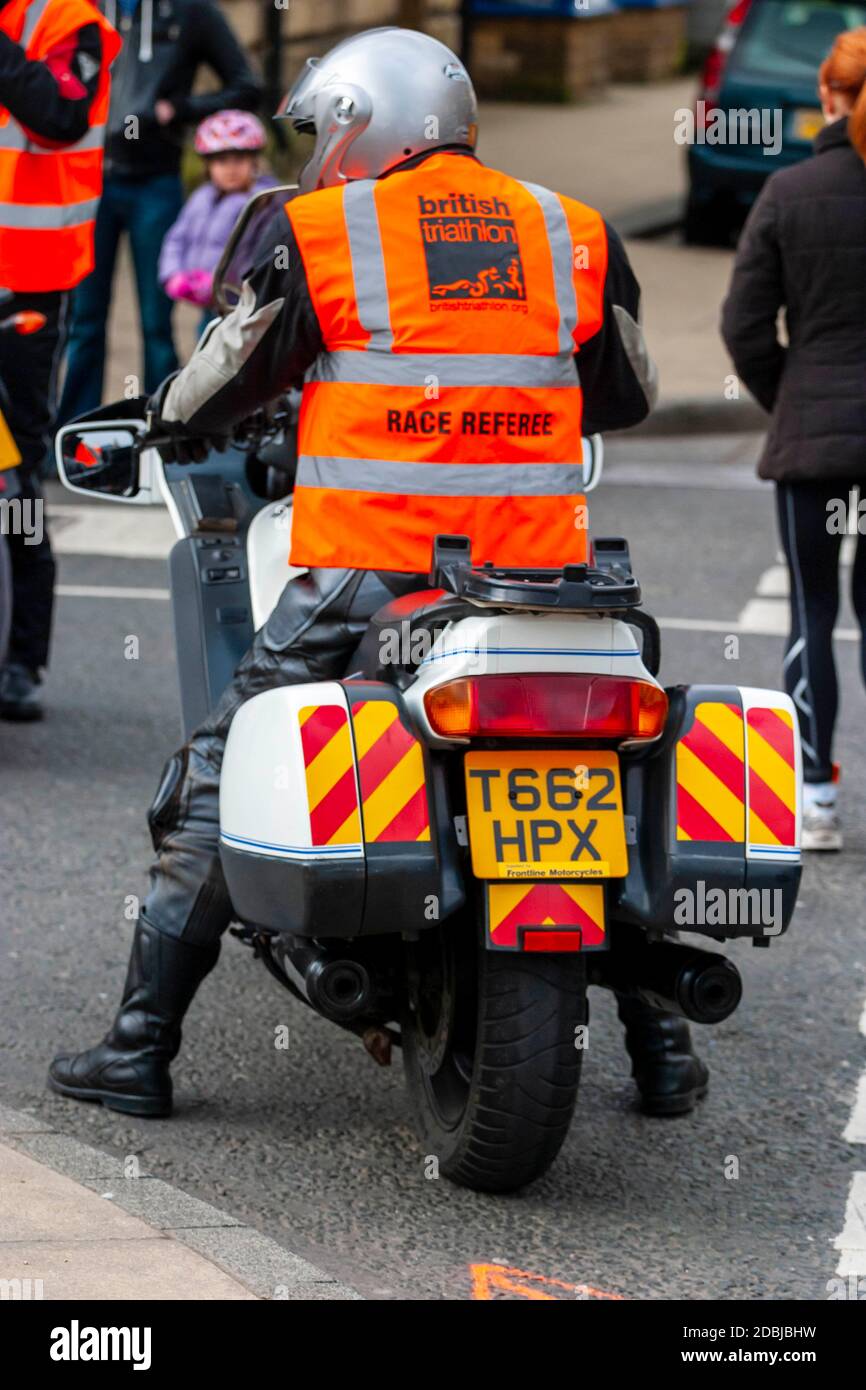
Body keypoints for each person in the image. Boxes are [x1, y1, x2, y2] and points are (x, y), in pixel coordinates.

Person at [49, 28, 705, 1123]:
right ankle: (661, 1049)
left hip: (370, 567)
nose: (319, 152)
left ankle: (138, 1049)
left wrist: (158, 418)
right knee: (617, 759)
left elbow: (227, 376)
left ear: (365, 122)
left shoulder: (324, 228)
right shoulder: (569, 229)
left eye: (326, 129)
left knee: (218, 769)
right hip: (541, 578)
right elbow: (626, 390)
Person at [722, 26, 866, 852]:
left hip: (816, 448)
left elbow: (743, 325)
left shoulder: (789, 190)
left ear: (827, 96)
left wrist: (794, 399)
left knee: (812, 612)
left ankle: (815, 797)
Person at [0, 0, 121, 721]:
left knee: (14, 474)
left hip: (29, 284)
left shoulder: (65, 21)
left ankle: (20, 660)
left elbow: (59, 114)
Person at [58, 0, 261, 423]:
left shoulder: (193, 12)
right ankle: (75, 435)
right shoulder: (84, 7)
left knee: (155, 324)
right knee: (84, 322)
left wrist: (178, 110)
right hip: (90, 179)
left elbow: (246, 85)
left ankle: (162, 429)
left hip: (156, 181)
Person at [159, 110, 277, 330]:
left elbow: (258, 255)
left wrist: (222, 282)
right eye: (222, 161)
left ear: (255, 161)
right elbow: (177, 237)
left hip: (245, 309)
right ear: (208, 165)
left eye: (239, 159)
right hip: (210, 307)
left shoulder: (264, 202)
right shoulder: (201, 198)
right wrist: (173, 274)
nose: (231, 168)